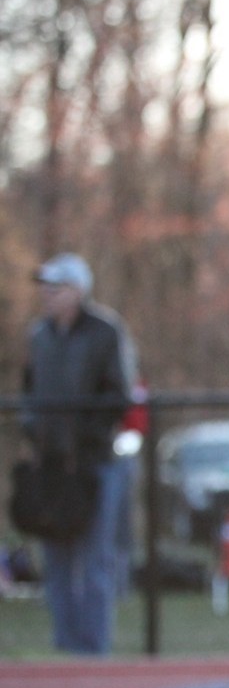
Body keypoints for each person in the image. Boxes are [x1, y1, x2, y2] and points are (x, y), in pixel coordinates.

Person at [20, 253, 137, 655]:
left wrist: (84, 434)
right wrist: (34, 429)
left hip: (93, 463)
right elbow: (29, 391)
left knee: (93, 559)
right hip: (51, 464)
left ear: (78, 291)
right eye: (46, 288)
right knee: (55, 559)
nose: (48, 295)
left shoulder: (104, 331)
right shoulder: (40, 335)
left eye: (57, 287)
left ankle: (93, 649)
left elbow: (119, 396)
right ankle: (66, 649)